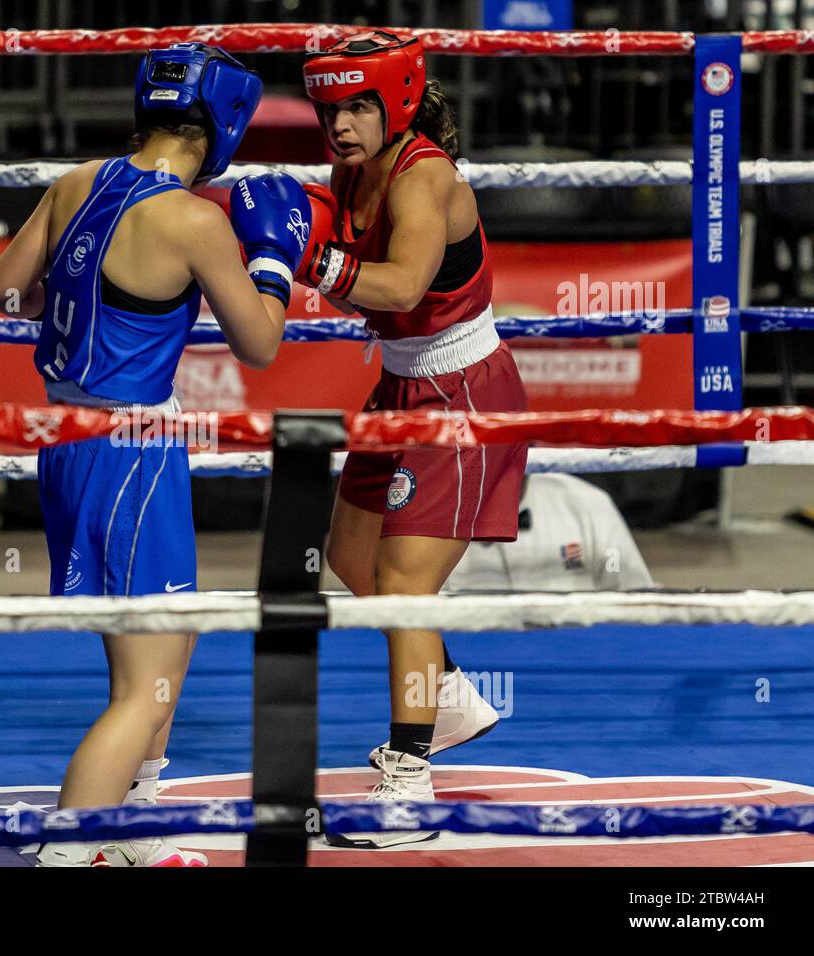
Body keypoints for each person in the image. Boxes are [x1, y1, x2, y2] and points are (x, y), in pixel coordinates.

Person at [0, 43, 310, 866]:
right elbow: (261, 346)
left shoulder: (75, 183)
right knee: (139, 685)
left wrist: (92, 314)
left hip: (68, 441)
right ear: (224, 124)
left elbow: (0, 292)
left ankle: (136, 824)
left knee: (167, 641)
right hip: (132, 450)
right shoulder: (194, 221)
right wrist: (272, 258)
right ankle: (71, 852)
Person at [299, 31, 528, 847]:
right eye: (332, 108)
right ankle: (453, 695)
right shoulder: (348, 173)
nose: (342, 124)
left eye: (359, 104)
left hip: (462, 389)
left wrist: (312, 262)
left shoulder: (424, 178)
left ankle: (410, 777)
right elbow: (366, 294)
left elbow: (398, 284)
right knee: (351, 559)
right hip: (401, 381)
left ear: (396, 100)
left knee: (402, 582)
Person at [443, 473, 656, 592]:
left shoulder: (590, 504)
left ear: (529, 446)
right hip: (477, 663)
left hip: (581, 656)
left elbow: (633, 594)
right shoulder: (434, 524)